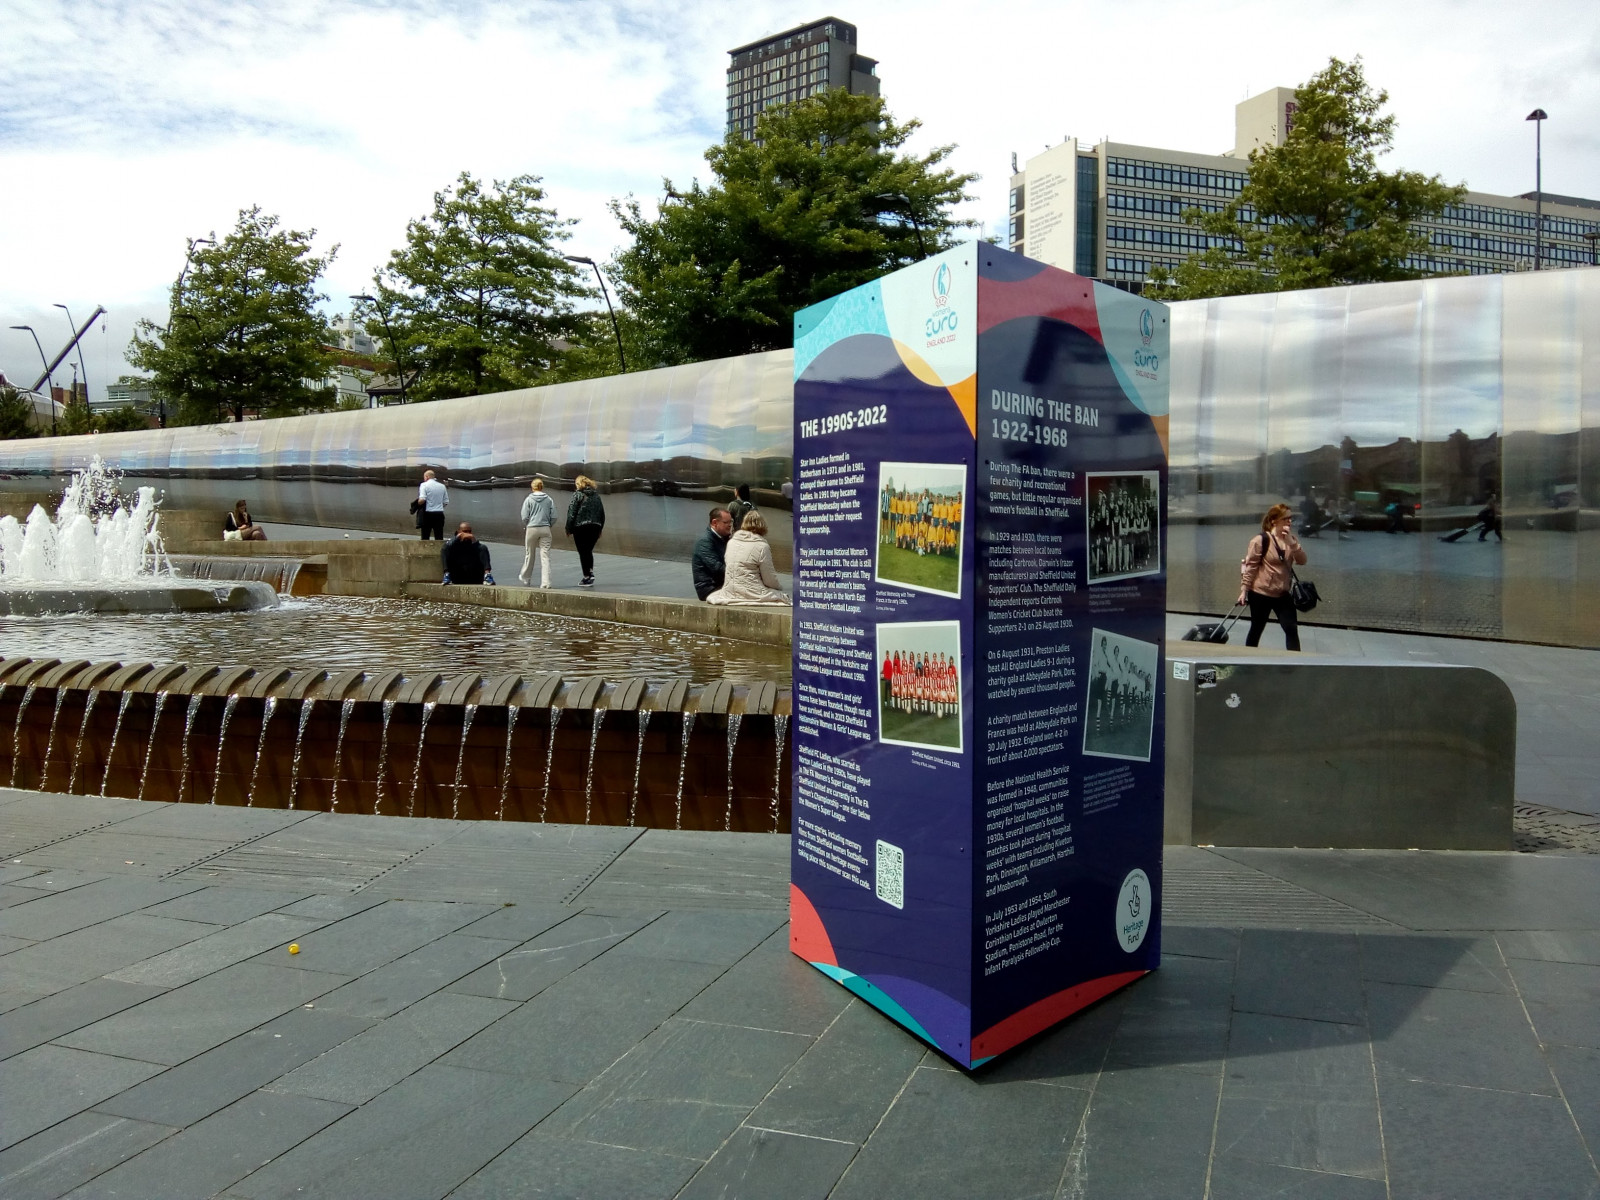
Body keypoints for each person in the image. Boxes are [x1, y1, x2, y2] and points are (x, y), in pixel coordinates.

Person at [1239, 502, 1308, 651]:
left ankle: (1293, 666)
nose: (1289, 522)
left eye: (1291, 518)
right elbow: (1251, 567)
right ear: (1274, 521)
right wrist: (1244, 590)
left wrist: (1293, 545)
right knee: (1256, 628)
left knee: (1291, 629)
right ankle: (1247, 660)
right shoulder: (1260, 540)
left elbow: (1302, 561)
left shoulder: (1291, 539)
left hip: (1283, 594)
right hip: (1261, 593)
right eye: (1286, 519)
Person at [707, 510, 789, 606]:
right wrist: (778, 587)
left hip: (730, 591)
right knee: (784, 598)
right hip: (752, 592)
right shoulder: (762, 546)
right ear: (762, 526)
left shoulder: (731, 542)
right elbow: (769, 580)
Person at [565, 475, 605, 587]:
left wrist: (568, 528)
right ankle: (590, 572)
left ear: (578, 484)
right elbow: (602, 513)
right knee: (588, 550)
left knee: (583, 551)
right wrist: (600, 528)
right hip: (595, 527)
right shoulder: (596, 496)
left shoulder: (577, 495)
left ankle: (587, 577)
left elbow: (572, 513)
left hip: (581, 527)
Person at [519, 479, 556, 588]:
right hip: (545, 528)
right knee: (545, 556)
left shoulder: (528, 499)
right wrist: (548, 524)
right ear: (542, 487)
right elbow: (554, 516)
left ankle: (526, 577)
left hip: (532, 528)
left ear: (532, 487)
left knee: (529, 554)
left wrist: (528, 523)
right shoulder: (549, 499)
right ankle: (546, 582)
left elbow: (524, 516)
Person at [692, 507, 733, 600]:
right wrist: (740, 575)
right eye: (726, 522)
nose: (730, 525)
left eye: (731, 522)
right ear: (714, 523)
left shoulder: (724, 538)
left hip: (721, 584)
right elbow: (717, 568)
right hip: (708, 588)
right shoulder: (705, 541)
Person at [441, 521, 493, 586]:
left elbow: (482, 549)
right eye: (465, 531)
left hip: (473, 575)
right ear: (459, 531)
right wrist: (457, 537)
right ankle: (446, 575)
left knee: (483, 548)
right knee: (444, 549)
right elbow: (445, 547)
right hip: (457, 574)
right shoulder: (453, 543)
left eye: (469, 531)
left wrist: (474, 540)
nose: (467, 534)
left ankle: (487, 575)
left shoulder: (473, 543)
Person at [417, 469, 448, 541]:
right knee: (439, 537)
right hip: (439, 514)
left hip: (427, 514)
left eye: (424, 477)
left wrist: (417, 503)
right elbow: (446, 502)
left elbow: (422, 499)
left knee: (425, 537)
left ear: (427, 477)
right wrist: (438, 506)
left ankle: (425, 551)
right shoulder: (442, 486)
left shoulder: (424, 485)